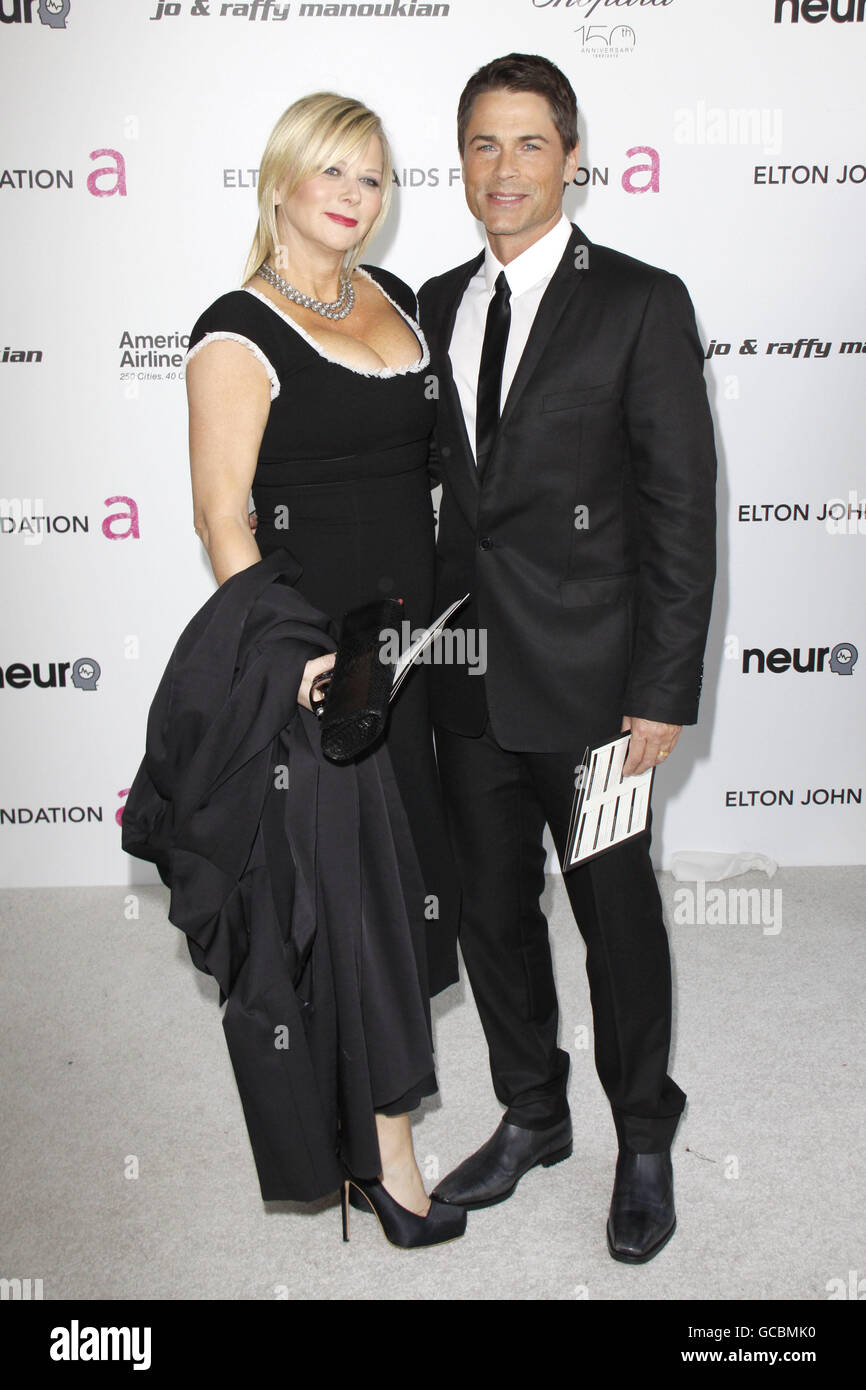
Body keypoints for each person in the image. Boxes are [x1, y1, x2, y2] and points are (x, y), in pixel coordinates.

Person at [417, 54, 717, 1263]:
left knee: (613, 915)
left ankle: (641, 1131)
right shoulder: (435, 301)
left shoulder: (641, 300)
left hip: (597, 692)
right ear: (463, 163)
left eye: (528, 144)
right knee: (490, 910)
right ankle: (532, 1111)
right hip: (465, 681)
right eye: (483, 145)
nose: (504, 169)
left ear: (571, 156)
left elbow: (680, 511)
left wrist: (658, 691)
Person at [178, 92, 464, 1248]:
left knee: (409, 885)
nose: (354, 195)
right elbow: (219, 515)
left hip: (425, 644)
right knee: (358, 910)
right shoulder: (234, 328)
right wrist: (294, 660)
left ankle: (369, 1131)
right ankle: (387, 1157)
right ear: (283, 181)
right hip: (327, 666)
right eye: (333, 172)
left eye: (374, 177)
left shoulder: (391, 301)